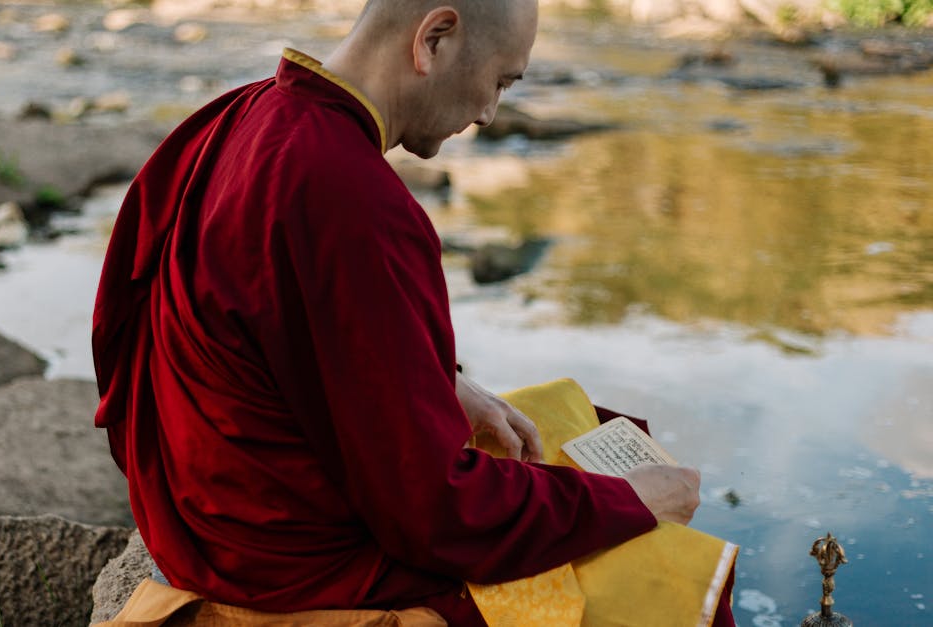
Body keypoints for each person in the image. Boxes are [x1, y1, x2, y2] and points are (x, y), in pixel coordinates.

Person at [92, 0, 718, 624]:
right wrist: (626, 504)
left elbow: (174, 323)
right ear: (434, 39)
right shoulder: (353, 200)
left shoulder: (240, 115)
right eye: (499, 81)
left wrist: (441, 380)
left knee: (561, 421)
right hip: (290, 566)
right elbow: (435, 514)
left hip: (204, 507)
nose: (489, 113)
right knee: (669, 572)